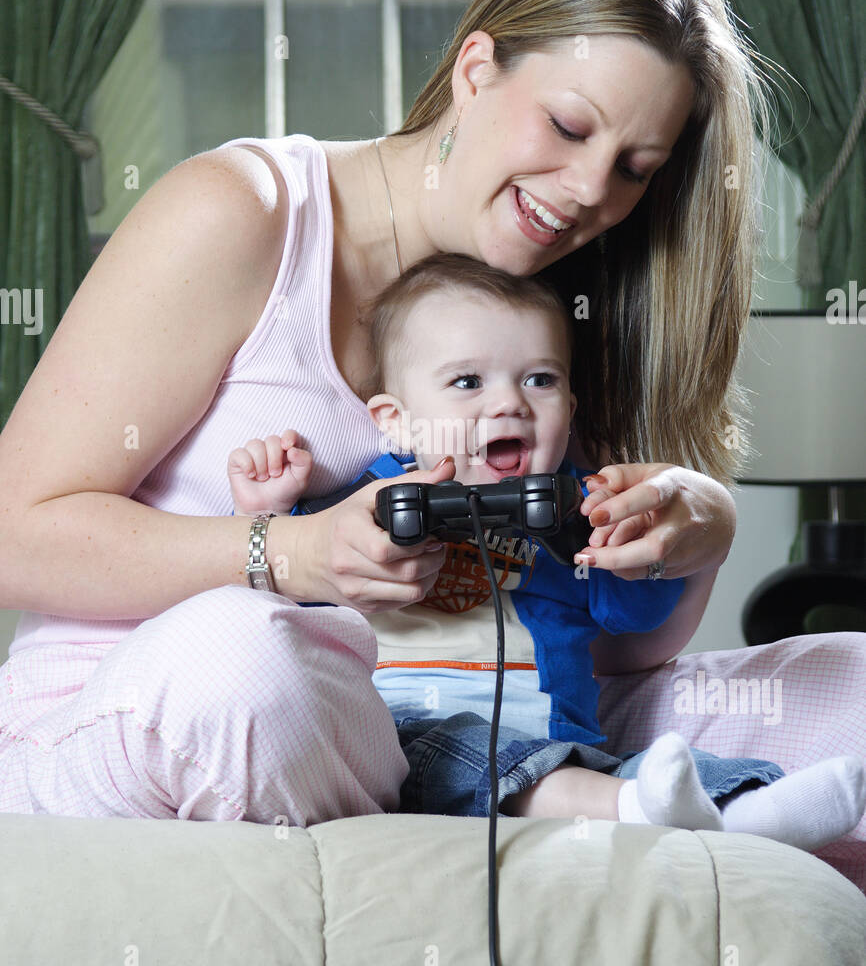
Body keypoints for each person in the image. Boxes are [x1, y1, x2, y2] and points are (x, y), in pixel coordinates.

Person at [0, 0, 863, 852]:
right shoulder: (247, 214)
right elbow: (16, 529)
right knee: (244, 660)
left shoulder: (569, 297)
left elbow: (607, 656)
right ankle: (525, 805)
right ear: (475, 67)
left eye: (633, 170)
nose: (585, 191)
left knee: (851, 689)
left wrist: (692, 537)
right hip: (171, 698)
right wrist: (291, 553)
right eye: (569, 126)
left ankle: (562, 804)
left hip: (488, 717)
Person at [225, 251, 866, 851]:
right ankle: (640, 810)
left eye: (539, 379)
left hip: (568, 746)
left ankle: (752, 809)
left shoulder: (570, 512)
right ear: (396, 419)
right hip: (407, 752)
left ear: (570, 407)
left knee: (663, 764)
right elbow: (290, 609)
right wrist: (273, 511)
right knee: (475, 751)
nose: (509, 402)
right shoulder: (362, 504)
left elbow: (635, 619)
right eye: (468, 381)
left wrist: (619, 543)